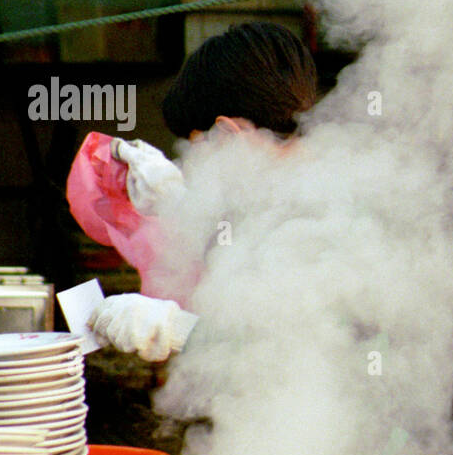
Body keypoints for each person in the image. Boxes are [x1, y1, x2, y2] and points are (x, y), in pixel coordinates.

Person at [77, 21, 317, 361]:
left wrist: (172, 329)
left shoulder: (327, 214)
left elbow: (291, 350)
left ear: (228, 136)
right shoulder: (288, 192)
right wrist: (175, 202)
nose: (194, 167)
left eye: (198, 148)